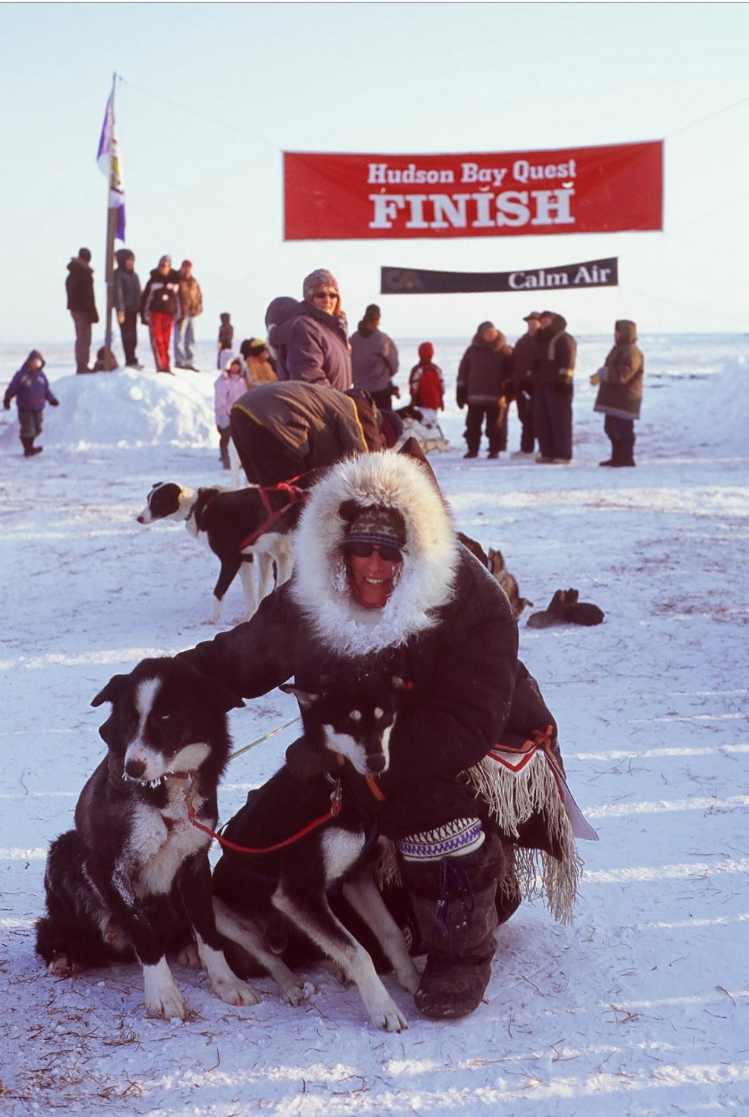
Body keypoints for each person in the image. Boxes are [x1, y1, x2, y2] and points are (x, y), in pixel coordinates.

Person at [170, 448, 574, 1019]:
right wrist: (162, 693)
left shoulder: (470, 599)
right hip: (355, 749)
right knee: (261, 857)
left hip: (468, 757)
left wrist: (352, 764)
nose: (376, 566)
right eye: (362, 549)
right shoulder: (317, 590)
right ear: (339, 548)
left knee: (427, 803)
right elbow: (240, 659)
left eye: (392, 552)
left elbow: (465, 724)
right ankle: (355, 912)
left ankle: (460, 948)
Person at [228, 380, 385, 485]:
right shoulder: (354, 409)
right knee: (286, 497)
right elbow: (364, 463)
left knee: (267, 494)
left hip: (242, 410)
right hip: (273, 418)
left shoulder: (331, 402)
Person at [265, 269, 352, 391]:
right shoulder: (305, 328)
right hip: (316, 402)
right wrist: (339, 399)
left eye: (333, 295)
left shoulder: (333, 330)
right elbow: (309, 377)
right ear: (310, 297)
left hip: (335, 401)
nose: (327, 300)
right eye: (321, 295)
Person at [590, 319, 644, 467]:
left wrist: (603, 374)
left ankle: (626, 458)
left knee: (623, 431)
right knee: (611, 429)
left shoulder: (631, 352)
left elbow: (623, 374)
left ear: (626, 333)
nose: (615, 334)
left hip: (625, 399)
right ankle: (616, 457)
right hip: (614, 399)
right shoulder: (619, 349)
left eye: (618, 332)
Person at [456, 322, 513, 459]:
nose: (490, 335)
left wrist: (508, 392)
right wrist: (460, 391)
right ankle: (472, 450)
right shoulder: (472, 351)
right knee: (472, 426)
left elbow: (511, 373)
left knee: (495, 427)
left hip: (496, 397)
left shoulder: (504, 350)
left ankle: (494, 450)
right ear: (481, 334)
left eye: (493, 332)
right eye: (487, 332)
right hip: (474, 397)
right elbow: (463, 371)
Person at [531, 310, 577, 464]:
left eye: (547, 322)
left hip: (558, 385)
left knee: (560, 421)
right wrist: (531, 377)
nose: (544, 325)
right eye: (542, 322)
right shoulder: (541, 340)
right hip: (542, 385)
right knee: (542, 420)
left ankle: (562, 454)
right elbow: (536, 361)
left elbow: (568, 361)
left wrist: (564, 381)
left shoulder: (564, 339)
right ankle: (547, 452)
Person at [3, 349, 59, 457]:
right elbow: (12, 388)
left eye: (38, 362)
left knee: (38, 429)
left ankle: (29, 447)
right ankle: (28, 449)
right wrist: (7, 399)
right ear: (29, 362)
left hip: (38, 407)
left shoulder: (41, 376)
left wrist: (51, 399)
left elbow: (46, 390)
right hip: (25, 408)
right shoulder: (21, 375)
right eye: (34, 362)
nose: (36, 364)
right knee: (28, 429)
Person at [351, 303, 400, 410]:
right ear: (377, 318)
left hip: (358, 393)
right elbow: (394, 366)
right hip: (380, 392)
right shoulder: (383, 340)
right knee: (384, 419)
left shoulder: (352, 339)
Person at [140, 256, 181, 373]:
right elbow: (146, 298)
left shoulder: (175, 281)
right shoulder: (153, 281)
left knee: (166, 341)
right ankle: (161, 365)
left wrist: (179, 315)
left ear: (169, 267)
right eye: (161, 266)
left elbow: (179, 299)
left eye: (165, 266)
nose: (163, 268)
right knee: (158, 340)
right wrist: (144, 315)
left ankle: (166, 365)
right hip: (155, 314)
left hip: (169, 314)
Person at [509, 312, 541, 460]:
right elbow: (514, 363)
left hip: (538, 387)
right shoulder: (522, 342)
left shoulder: (544, 341)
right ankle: (526, 449)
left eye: (534, 324)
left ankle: (544, 448)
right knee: (525, 418)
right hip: (521, 387)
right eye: (530, 324)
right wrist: (514, 382)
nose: (532, 326)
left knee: (539, 419)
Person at [65, 248, 99, 374]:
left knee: (81, 337)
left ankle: (82, 364)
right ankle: (82, 365)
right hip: (82, 310)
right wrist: (93, 313)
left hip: (77, 309)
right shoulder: (82, 274)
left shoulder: (74, 273)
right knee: (84, 338)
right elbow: (88, 296)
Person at [214, 355, 251, 469]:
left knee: (239, 438)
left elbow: (245, 396)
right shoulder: (222, 382)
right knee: (226, 438)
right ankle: (226, 459)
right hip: (226, 415)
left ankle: (239, 460)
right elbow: (220, 400)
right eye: (232, 365)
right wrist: (223, 414)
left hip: (238, 414)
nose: (235, 368)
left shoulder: (241, 380)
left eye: (237, 365)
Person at [113, 249, 143, 369]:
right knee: (127, 336)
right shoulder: (119, 275)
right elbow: (118, 293)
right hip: (124, 311)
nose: (130, 263)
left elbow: (139, 292)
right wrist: (120, 311)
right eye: (128, 260)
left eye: (132, 260)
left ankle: (133, 358)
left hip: (133, 310)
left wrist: (140, 308)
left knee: (133, 336)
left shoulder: (134, 276)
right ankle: (129, 359)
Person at [173, 259, 203, 370]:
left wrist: (198, 308)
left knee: (190, 339)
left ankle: (189, 362)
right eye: (185, 268)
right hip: (181, 314)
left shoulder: (193, 282)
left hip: (192, 314)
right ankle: (180, 361)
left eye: (189, 268)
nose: (187, 271)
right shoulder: (177, 280)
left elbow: (199, 295)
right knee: (179, 339)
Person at [409, 342, 445, 427]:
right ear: (432, 353)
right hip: (435, 402)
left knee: (422, 424)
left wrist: (413, 399)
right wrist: (441, 400)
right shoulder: (437, 369)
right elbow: (442, 387)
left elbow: (413, 385)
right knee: (432, 421)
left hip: (421, 402)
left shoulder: (417, 369)